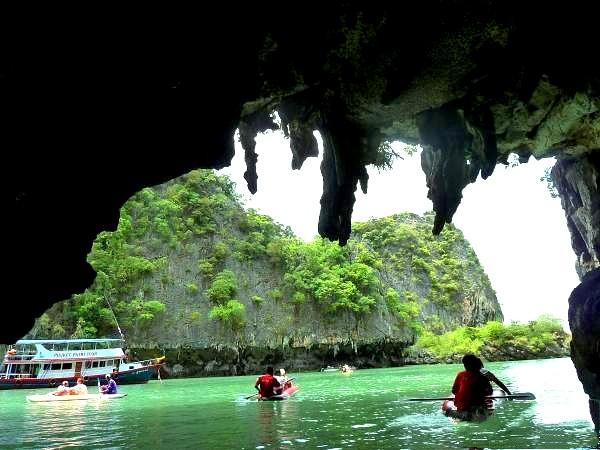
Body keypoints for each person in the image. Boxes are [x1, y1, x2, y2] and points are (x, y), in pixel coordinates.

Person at [442, 354, 493, 421]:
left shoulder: (460, 374)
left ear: (465, 365)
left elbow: (454, 391)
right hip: (476, 409)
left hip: (461, 408)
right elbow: (490, 392)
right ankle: (475, 414)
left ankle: (460, 415)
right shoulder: (482, 376)